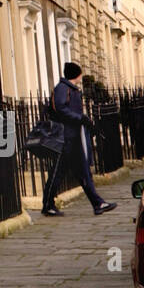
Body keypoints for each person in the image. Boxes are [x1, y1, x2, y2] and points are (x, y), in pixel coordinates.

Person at [41, 62, 117, 216]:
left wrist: (83, 122)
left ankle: (97, 203)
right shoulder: (63, 88)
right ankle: (47, 205)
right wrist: (80, 118)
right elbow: (60, 108)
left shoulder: (70, 89)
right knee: (57, 172)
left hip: (73, 137)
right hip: (65, 138)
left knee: (82, 172)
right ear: (77, 74)